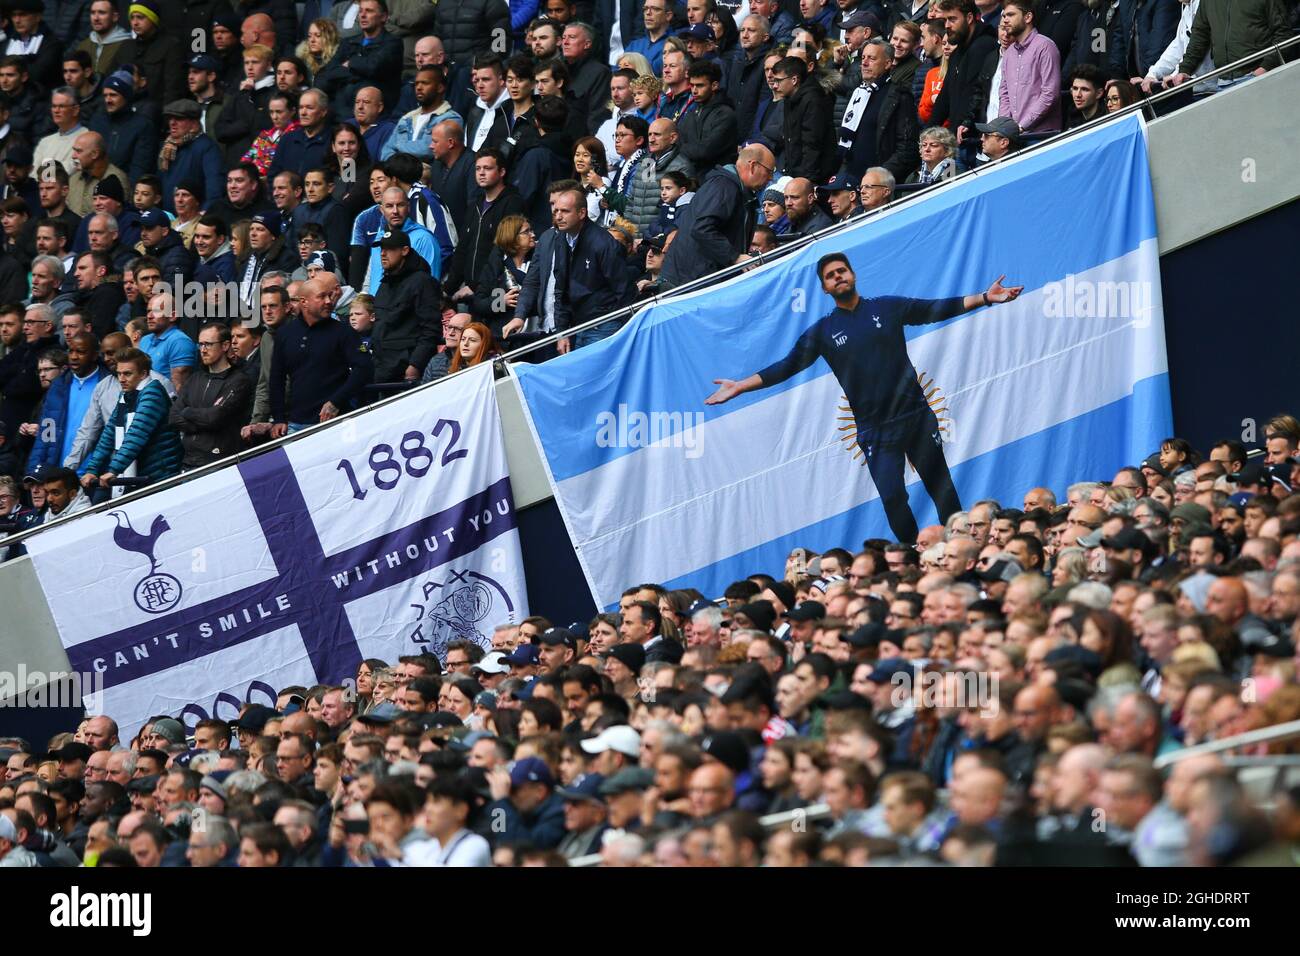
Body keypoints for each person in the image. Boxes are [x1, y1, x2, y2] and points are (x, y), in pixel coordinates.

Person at [706, 254, 1023, 543]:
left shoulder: (887, 307)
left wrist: (985, 298)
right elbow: (786, 366)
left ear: (853, 274)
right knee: (892, 497)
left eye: (842, 271)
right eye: (830, 276)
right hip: (875, 431)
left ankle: (962, 545)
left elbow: (934, 309)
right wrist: (740, 386)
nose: (838, 277)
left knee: (942, 486)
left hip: (915, 416)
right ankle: (913, 553)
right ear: (825, 289)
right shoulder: (822, 332)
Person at [504, 180, 631, 354]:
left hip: (603, 323)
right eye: (554, 209)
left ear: (581, 212)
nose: (557, 215)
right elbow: (555, 287)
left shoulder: (602, 243)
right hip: (571, 326)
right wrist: (559, 332)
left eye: (564, 210)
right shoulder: (557, 239)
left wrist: (625, 329)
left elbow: (623, 290)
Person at [660, 142, 775, 289]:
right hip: (688, 284)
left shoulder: (734, 189)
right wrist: (735, 257)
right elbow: (702, 228)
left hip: (694, 280)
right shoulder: (724, 186)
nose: (771, 178)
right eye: (769, 171)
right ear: (753, 166)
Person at [268, 277, 373, 436]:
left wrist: (336, 401)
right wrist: (278, 418)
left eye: (329, 296)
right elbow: (276, 378)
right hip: (295, 424)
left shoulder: (344, 332)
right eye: (321, 296)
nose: (329, 301)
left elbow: (364, 368)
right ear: (304, 302)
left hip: (335, 422)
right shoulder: (284, 334)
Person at [77, 347, 182, 494]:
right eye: (119, 374)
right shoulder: (127, 395)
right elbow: (109, 433)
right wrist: (92, 469)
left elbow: (136, 435)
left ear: (143, 374)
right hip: (142, 475)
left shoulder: (153, 393)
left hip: (161, 477)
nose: (121, 379)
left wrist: (114, 470)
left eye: (127, 374)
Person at [168, 323, 255, 471]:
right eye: (200, 344)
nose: (203, 350)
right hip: (189, 460)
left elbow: (216, 417)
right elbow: (173, 417)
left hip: (221, 463)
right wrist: (205, 423)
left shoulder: (239, 380)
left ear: (225, 345)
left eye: (208, 344)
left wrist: (188, 412)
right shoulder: (195, 378)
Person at [837, 38, 920, 182]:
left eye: (872, 58)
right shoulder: (857, 93)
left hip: (878, 185)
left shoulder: (899, 96)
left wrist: (880, 177)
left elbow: (907, 148)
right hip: (850, 180)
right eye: (863, 57)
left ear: (888, 63)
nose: (864, 63)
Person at [369, 231, 442, 385]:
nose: (383, 254)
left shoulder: (422, 282)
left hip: (405, 372)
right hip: (381, 368)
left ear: (405, 251)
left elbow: (431, 329)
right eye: (381, 249)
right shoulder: (385, 283)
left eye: (390, 249)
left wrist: (415, 365)